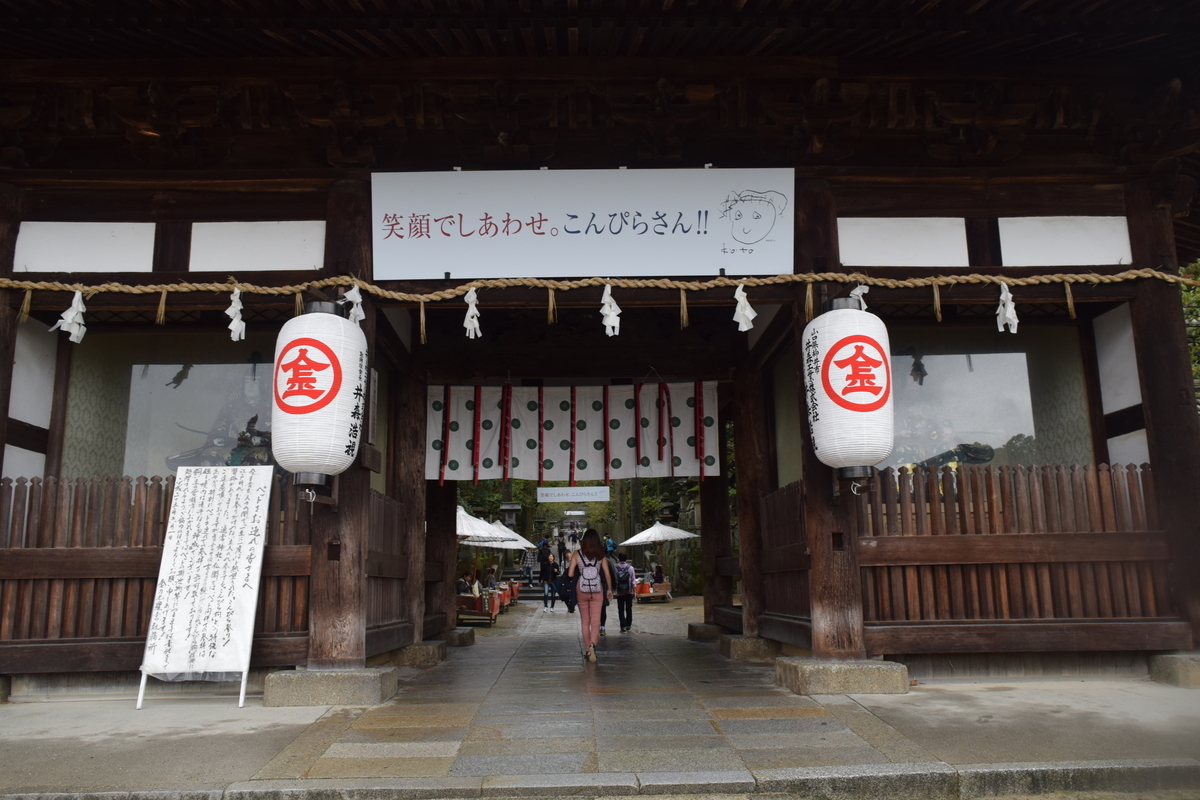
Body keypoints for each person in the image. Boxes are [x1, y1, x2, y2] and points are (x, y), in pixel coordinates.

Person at [566, 528, 612, 662]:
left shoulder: (577, 553)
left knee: (585, 621)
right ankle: (593, 643)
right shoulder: (600, 554)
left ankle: (587, 650)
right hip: (597, 589)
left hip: (582, 588)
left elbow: (570, 574)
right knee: (596, 620)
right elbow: (607, 574)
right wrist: (609, 589)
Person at [613, 552, 636, 633]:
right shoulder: (631, 568)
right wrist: (634, 592)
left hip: (620, 592)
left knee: (621, 609)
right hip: (629, 591)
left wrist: (614, 590)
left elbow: (614, 580)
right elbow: (633, 581)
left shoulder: (615, 568)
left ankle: (623, 626)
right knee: (629, 609)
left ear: (618, 558)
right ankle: (628, 625)